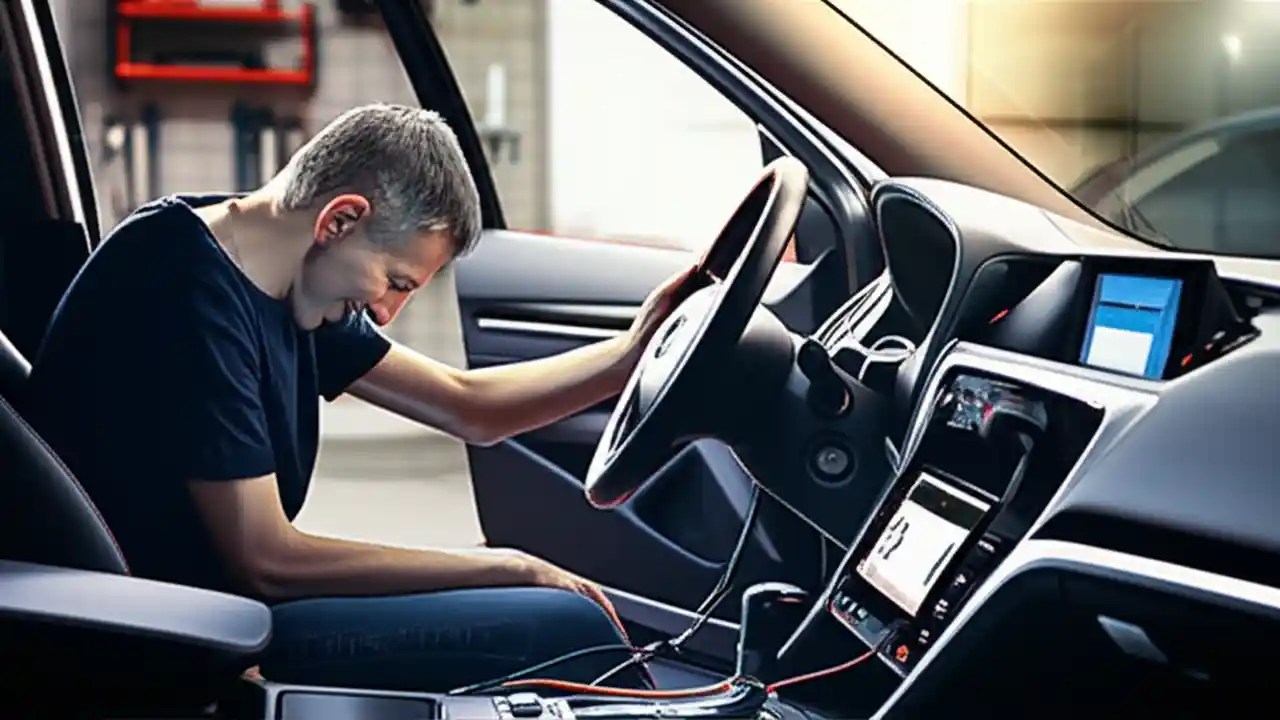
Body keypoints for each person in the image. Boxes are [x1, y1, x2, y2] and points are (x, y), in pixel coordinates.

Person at [25, 103, 699, 692]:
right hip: (170, 629)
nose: (385, 312)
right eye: (396, 281)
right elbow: (267, 560)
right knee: (568, 626)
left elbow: (470, 406)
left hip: (218, 605)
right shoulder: (187, 289)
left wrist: (632, 355)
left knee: (555, 611)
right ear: (340, 219)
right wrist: (509, 565)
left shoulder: (281, 269)